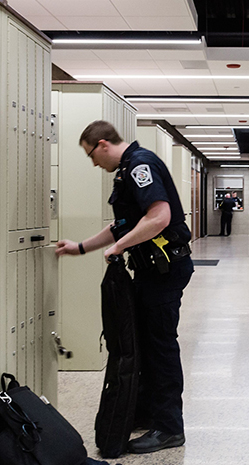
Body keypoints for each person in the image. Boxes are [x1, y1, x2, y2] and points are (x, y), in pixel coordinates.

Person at [56, 120, 193, 453]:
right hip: (150, 270)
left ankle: (169, 427)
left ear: (103, 144)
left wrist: (118, 248)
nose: (92, 163)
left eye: (91, 154)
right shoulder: (126, 170)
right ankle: (148, 412)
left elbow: (159, 216)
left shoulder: (139, 165)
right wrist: (81, 247)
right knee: (144, 343)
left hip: (164, 270)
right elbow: (122, 225)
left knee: (160, 347)